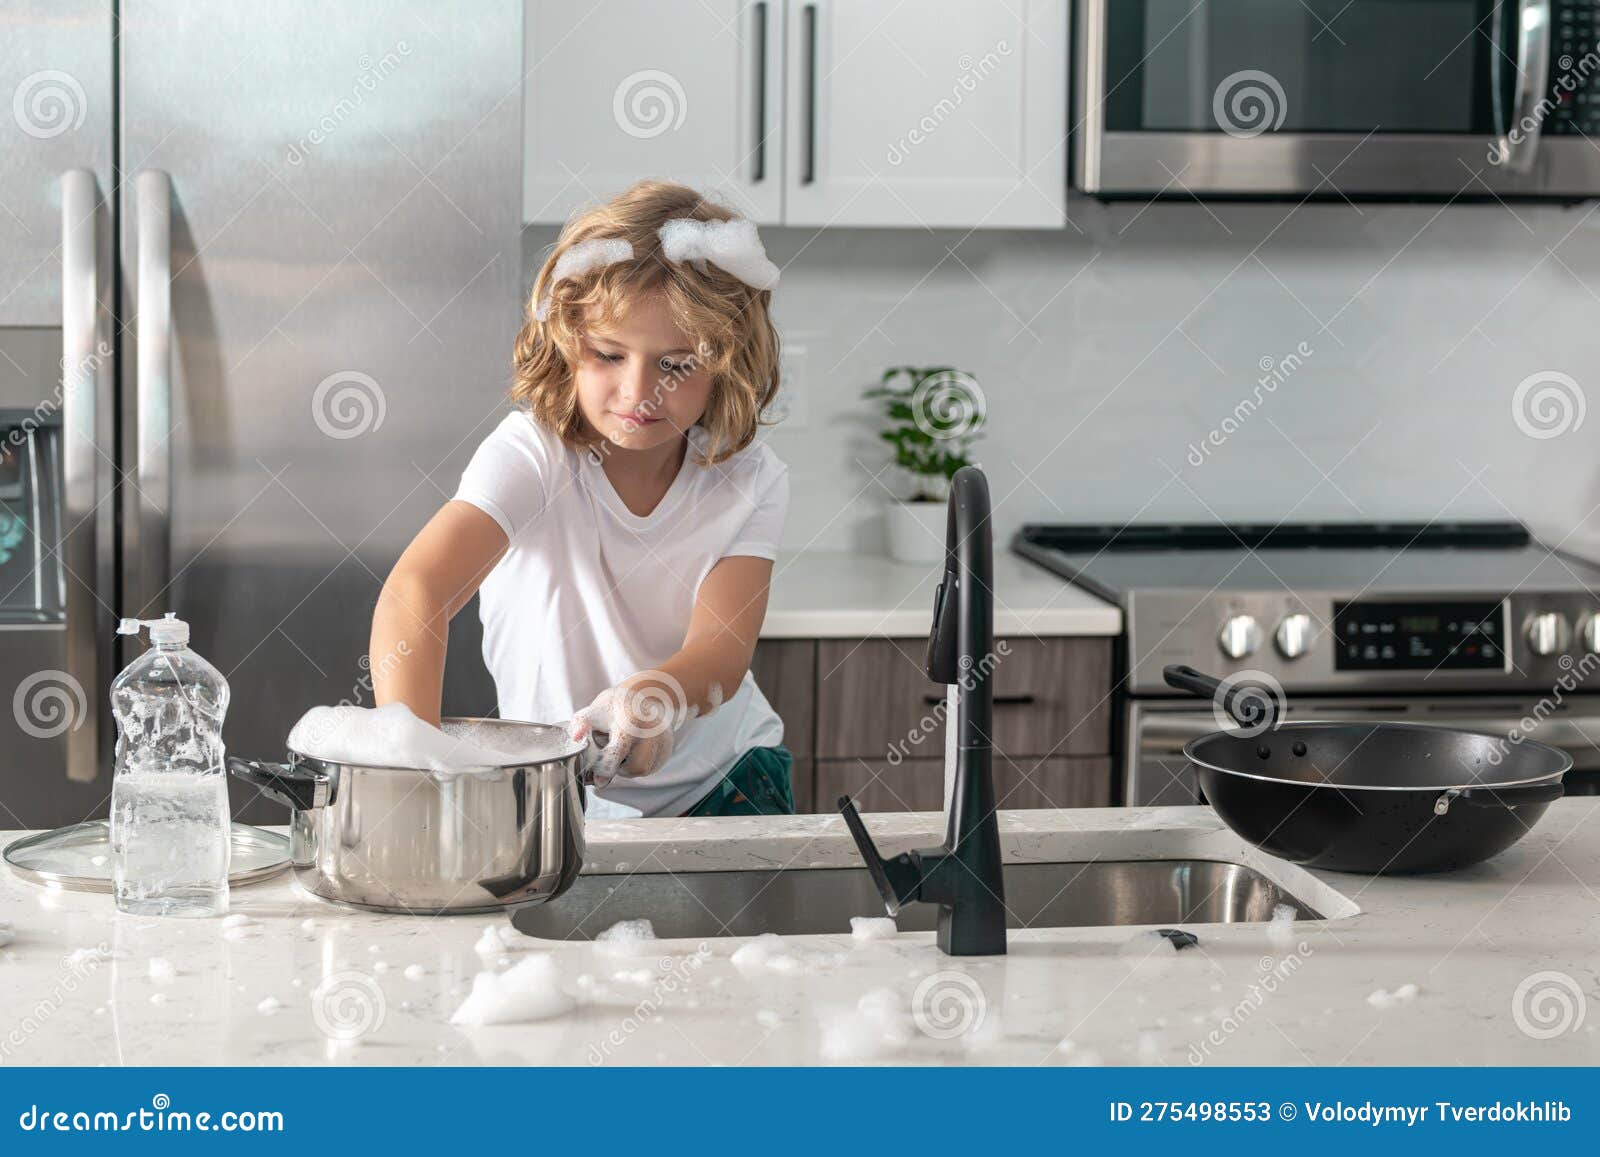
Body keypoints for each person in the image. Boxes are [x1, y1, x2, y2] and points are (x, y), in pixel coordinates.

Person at [369, 179, 792, 819]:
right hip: (557, 795)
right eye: (609, 354)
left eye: (675, 364)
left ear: (725, 362)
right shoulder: (533, 457)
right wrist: (409, 774)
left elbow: (723, 651)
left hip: (726, 781)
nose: (638, 390)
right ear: (568, 347)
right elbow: (417, 594)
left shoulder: (749, 477)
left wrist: (651, 703)